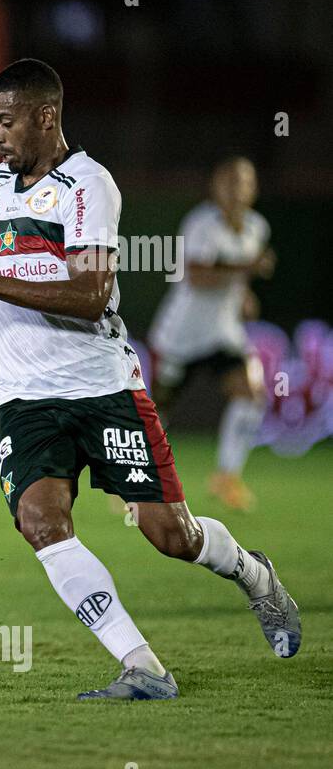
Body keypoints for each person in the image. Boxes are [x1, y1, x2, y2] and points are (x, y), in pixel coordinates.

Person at [0, 59, 300, 700]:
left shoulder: (91, 185)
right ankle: (142, 665)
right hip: (25, 396)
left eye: (5, 122)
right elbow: (31, 258)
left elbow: (91, 295)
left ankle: (254, 574)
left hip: (103, 387)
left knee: (170, 534)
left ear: (46, 115)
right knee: (40, 520)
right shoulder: (3, 182)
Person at [148, 157, 274, 511]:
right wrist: (246, 268)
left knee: (251, 394)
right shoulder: (201, 223)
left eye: (242, 182)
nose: (235, 189)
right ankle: (134, 478)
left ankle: (227, 476)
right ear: (216, 188)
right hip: (182, 333)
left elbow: (235, 278)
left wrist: (245, 295)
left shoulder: (256, 227)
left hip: (222, 332)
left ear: (253, 189)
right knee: (158, 411)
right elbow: (199, 276)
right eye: (228, 181)